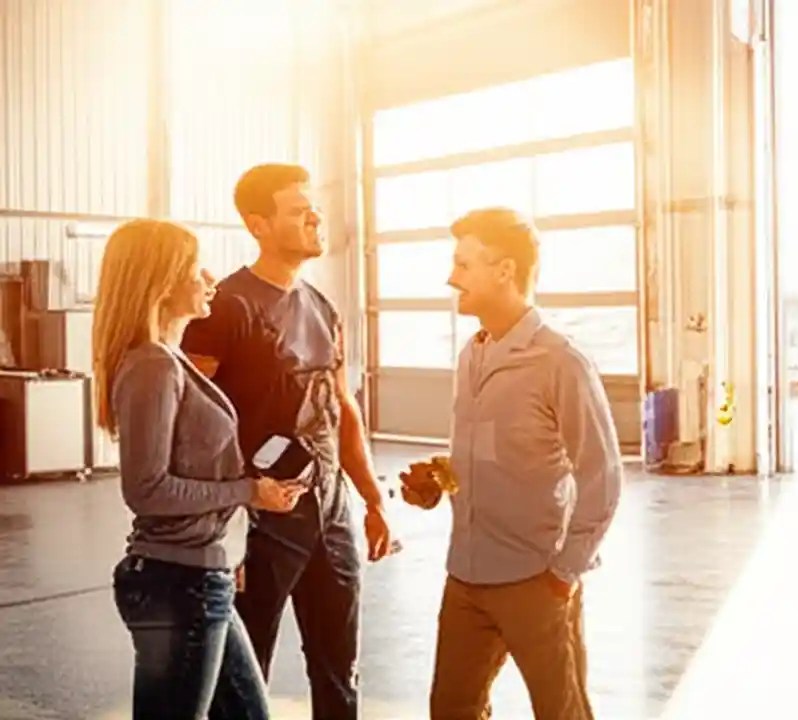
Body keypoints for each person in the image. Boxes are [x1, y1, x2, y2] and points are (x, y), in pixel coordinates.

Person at [181, 163, 397, 719]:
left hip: (331, 514)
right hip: (261, 518)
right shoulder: (223, 307)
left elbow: (342, 409)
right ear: (259, 224)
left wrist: (372, 500)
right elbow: (189, 422)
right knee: (243, 678)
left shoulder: (322, 307)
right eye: (299, 212)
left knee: (339, 671)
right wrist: (227, 529)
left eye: (313, 208)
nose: (316, 218)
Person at [399, 207, 624, 720]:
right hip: (466, 576)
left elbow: (602, 474)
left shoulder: (559, 362)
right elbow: (482, 455)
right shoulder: (471, 354)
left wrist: (565, 572)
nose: (451, 277)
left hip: (535, 579)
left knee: (561, 712)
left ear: (504, 270)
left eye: (463, 264)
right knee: (452, 709)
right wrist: (438, 480)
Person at [93, 218, 306, 719]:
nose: (211, 277)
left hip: (202, 576)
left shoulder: (170, 360)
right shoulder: (153, 366)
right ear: (162, 283)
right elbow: (147, 490)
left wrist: (231, 540)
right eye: (195, 268)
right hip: (179, 585)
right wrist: (248, 490)